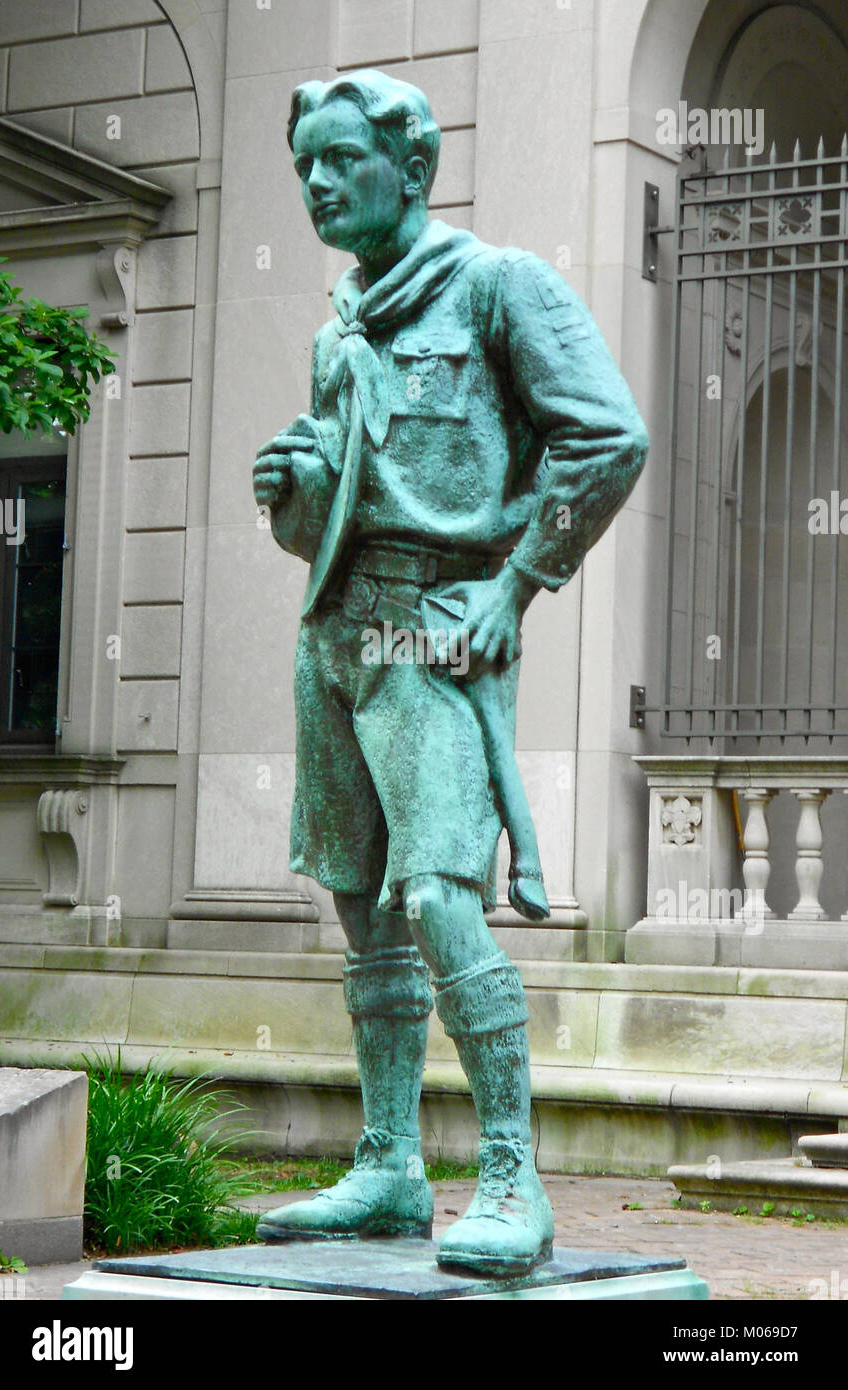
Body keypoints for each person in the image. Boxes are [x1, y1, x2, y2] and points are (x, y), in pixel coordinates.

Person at [252, 69, 648, 1276]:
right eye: (305, 166)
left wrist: (515, 583)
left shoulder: (495, 285)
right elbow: (339, 510)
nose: (317, 184)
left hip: (437, 624)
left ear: (411, 170)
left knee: (436, 897)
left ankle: (511, 1174)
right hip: (336, 629)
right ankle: (385, 1164)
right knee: (361, 903)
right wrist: (294, 492)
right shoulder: (338, 325)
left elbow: (607, 434)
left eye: (341, 161)